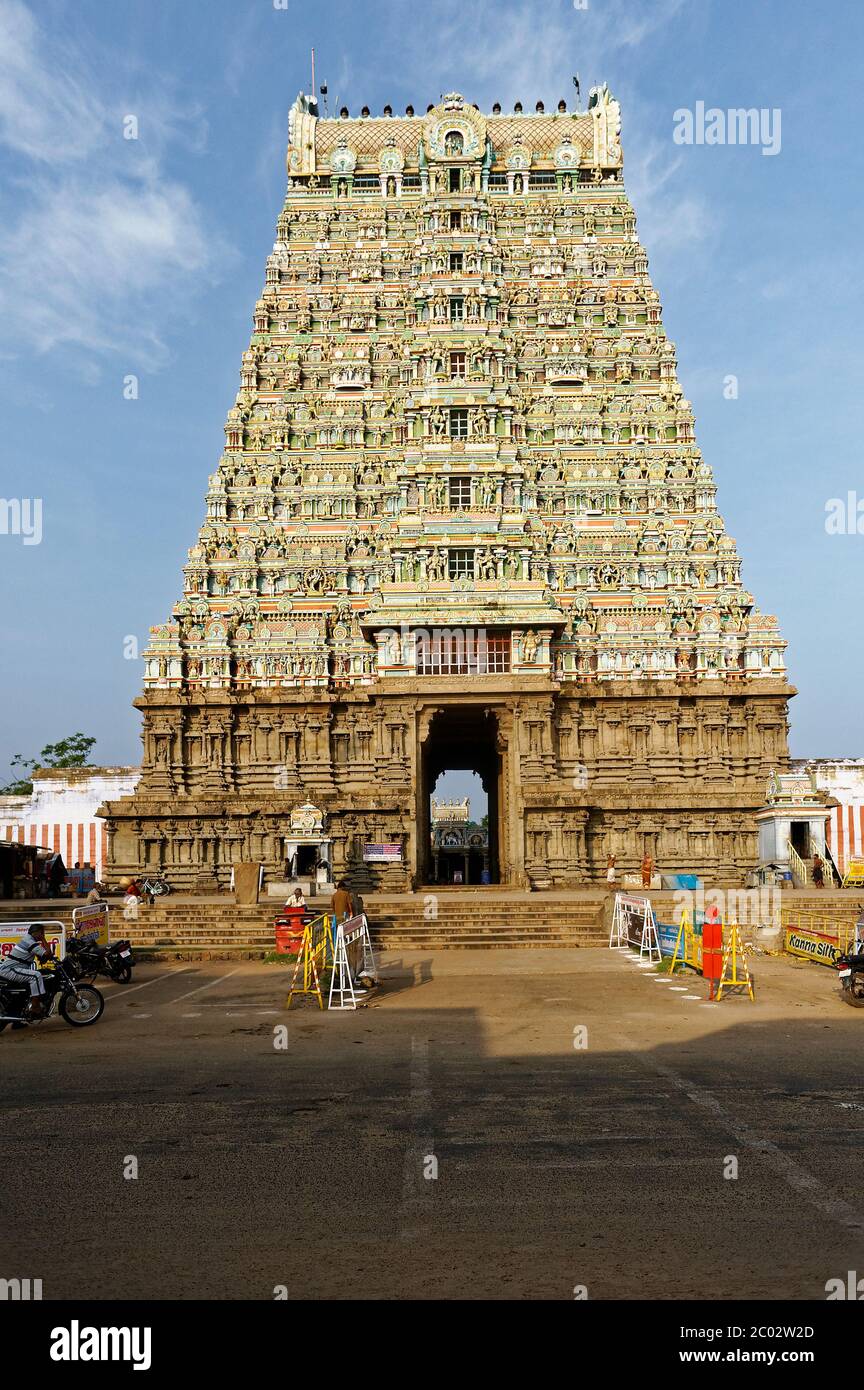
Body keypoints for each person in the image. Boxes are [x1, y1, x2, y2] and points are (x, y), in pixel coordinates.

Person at [0, 922, 53, 1016]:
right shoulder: (30, 942)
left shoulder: (29, 940)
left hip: (12, 969)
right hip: (10, 969)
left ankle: (19, 1015)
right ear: (35, 932)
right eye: (42, 933)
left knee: (36, 975)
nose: (43, 934)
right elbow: (48, 953)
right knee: (36, 976)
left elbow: (43, 957)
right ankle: (35, 1006)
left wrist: (45, 957)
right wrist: (43, 939)